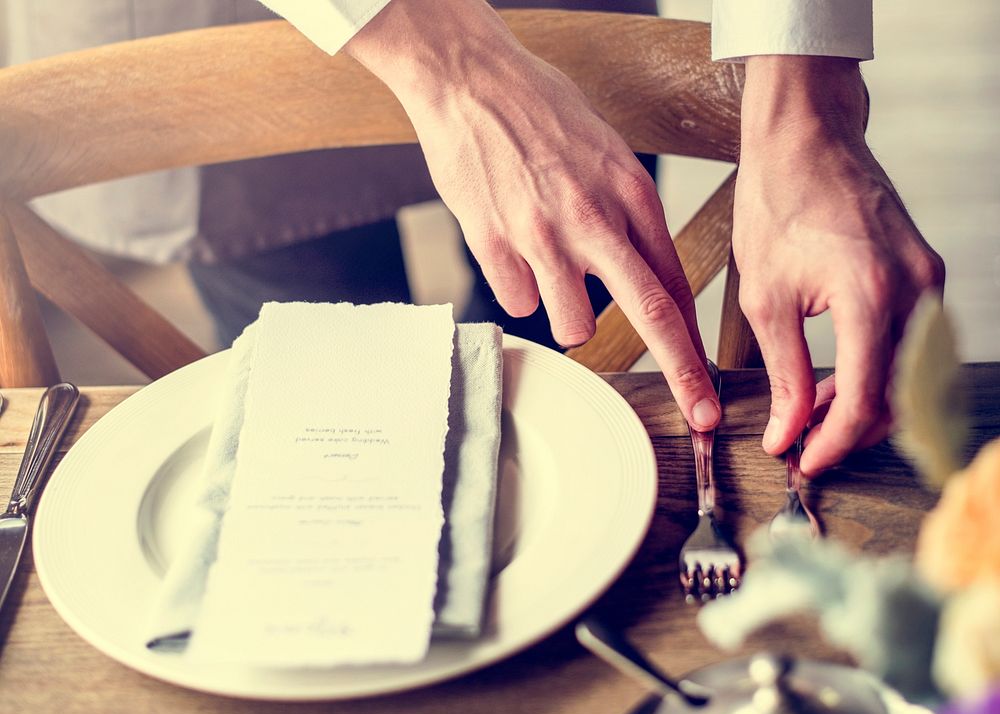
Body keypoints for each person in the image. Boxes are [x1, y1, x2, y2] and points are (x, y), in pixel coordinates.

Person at [6, 0, 944, 476]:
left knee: (581, 380)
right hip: (222, 19)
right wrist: (444, 52)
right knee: (335, 432)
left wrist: (805, 107)